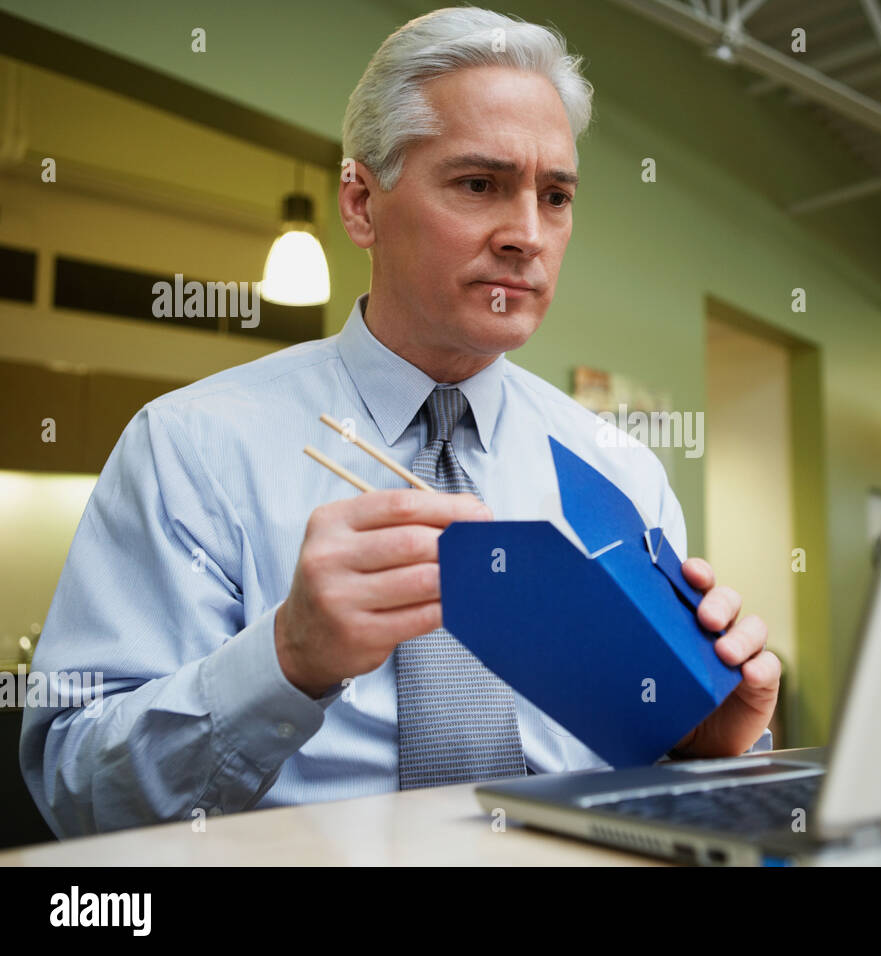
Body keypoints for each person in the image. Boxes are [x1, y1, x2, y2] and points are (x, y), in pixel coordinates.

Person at [21, 6, 779, 839]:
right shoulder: (188, 447)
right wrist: (283, 662)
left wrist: (702, 743)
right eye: (479, 184)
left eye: (555, 195)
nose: (527, 235)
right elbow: (76, 791)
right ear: (359, 203)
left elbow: (657, 786)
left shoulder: (622, 471)